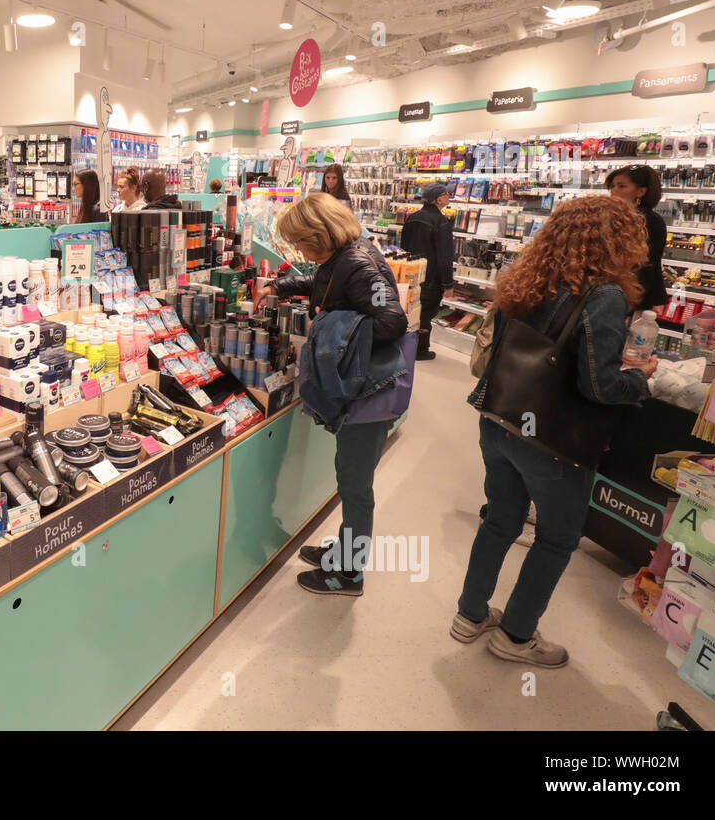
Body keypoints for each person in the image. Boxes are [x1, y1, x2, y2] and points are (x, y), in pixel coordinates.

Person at [454, 196, 657, 668]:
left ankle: (469, 614)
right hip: (553, 441)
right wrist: (640, 377)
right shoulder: (603, 295)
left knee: (500, 519)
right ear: (617, 240)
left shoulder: (527, 279)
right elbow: (600, 386)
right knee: (557, 537)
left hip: (499, 417)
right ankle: (517, 636)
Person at [253, 193, 407, 597]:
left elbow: (392, 319)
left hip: (369, 392)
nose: (300, 250)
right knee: (349, 477)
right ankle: (342, 552)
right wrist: (278, 285)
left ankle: (349, 574)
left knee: (356, 488)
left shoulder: (358, 262)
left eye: (301, 242)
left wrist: (332, 329)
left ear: (319, 233)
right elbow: (324, 285)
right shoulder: (344, 257)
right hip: (362, 388)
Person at [400, 182, 455, 360]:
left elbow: (403, 246)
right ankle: (420, 350)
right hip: (431, 278)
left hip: (410, 272)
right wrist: (448, 283)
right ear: (439, 199)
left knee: (410, 310)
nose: (449, 197)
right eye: (447, 194)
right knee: (426, 314)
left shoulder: (412, 217)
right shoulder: (441, 222)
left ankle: (405, 346)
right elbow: (444, 256)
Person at [606, 164, 669, 311]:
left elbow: (646, 264)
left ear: (641, 191)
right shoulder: (614, 216)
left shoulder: (650, 220)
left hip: (632, 295)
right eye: (613, 186)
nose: (614, 191)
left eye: (621, 186)